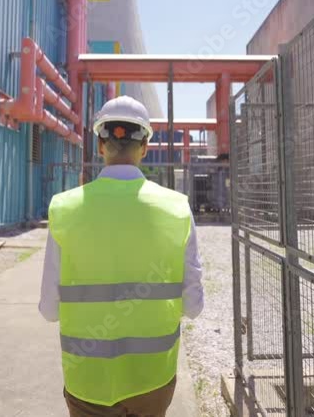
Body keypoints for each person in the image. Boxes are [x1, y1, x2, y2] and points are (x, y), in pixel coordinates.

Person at [39, 95, 204, 417]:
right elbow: (194, 307)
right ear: (144, 148)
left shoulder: (64, 207)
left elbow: (48, 309)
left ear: (101, 146)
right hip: (153, 376)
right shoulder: (176, 207)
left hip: (87, 378)